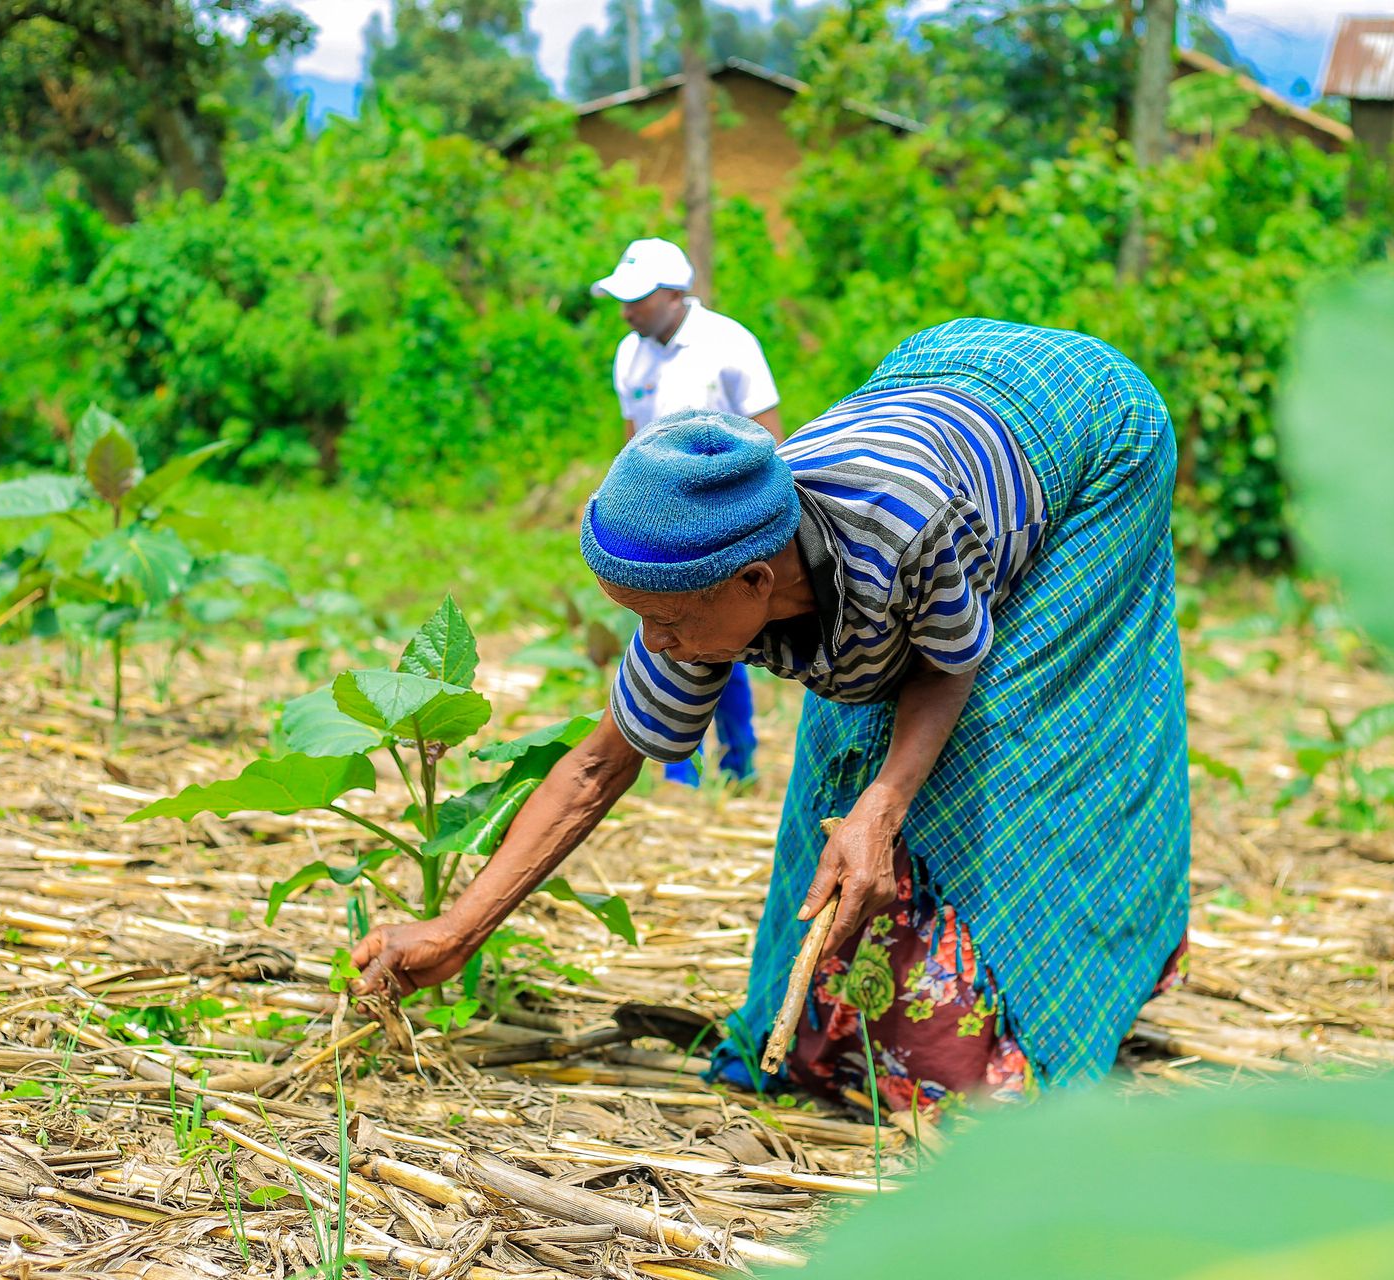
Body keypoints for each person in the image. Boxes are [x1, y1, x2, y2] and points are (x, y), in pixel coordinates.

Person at [352, 319, 1190, 1105]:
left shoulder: (903, 530)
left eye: (669, 622)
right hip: (937, 373)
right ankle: (823, 1039)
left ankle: (1035, 1030)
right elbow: (599, 766)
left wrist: (886, 808)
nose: (656, 641)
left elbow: (948, 663)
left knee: (997, 739)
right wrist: (456, 931)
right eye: (639, 616)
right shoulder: (697, 570)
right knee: (846, 744)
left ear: (757, 582)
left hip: (1089, 432)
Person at [591, 237, 781, 785]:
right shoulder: (630, 353)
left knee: (724, 642)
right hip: (656, 533)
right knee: (671, 639)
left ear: (676, 294)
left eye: (639, 300)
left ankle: (738, 763)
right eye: (623, 300)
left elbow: (769, 438)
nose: (627, 312)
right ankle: (682, 773)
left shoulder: (728, 344)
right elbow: (631, 447)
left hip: (722, 525)